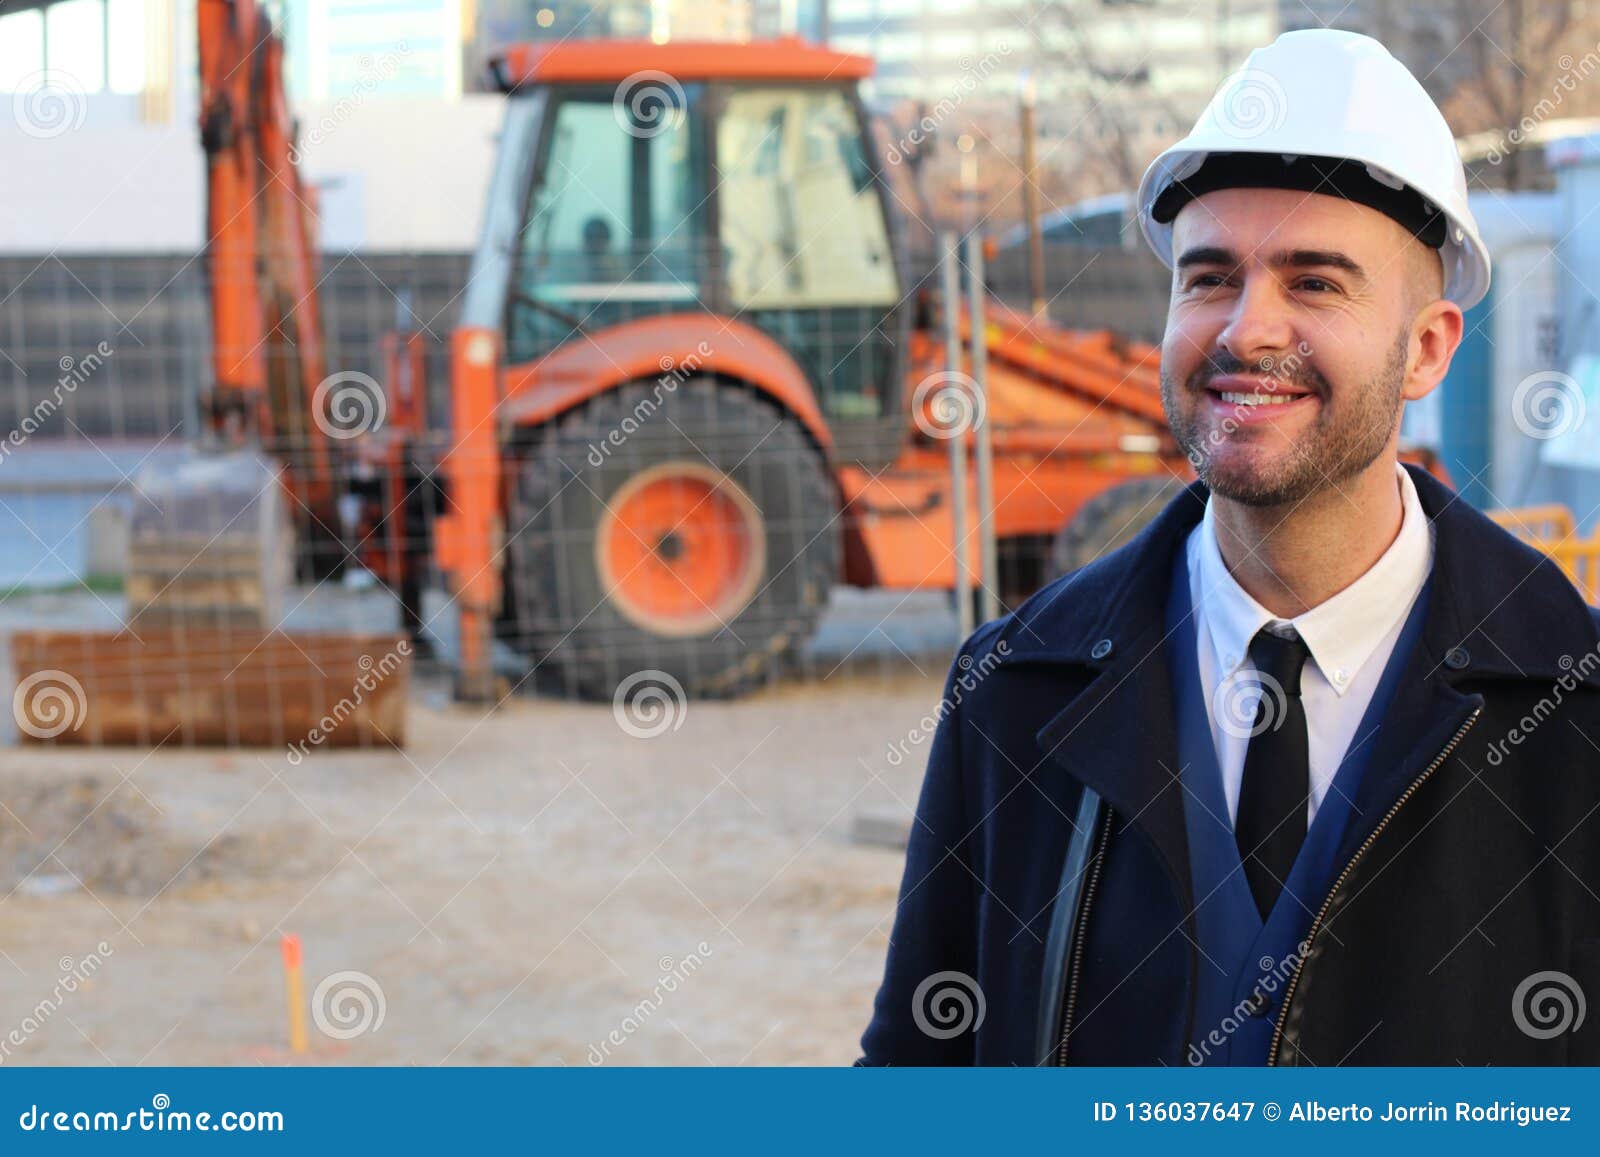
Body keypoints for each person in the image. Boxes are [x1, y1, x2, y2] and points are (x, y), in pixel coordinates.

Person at [858, 28, 1600, 1066]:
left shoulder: (1570, 711)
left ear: (1426, 347)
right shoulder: (1015, 688)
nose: (1247, 329)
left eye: (1314, 282)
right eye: (1209, 278)